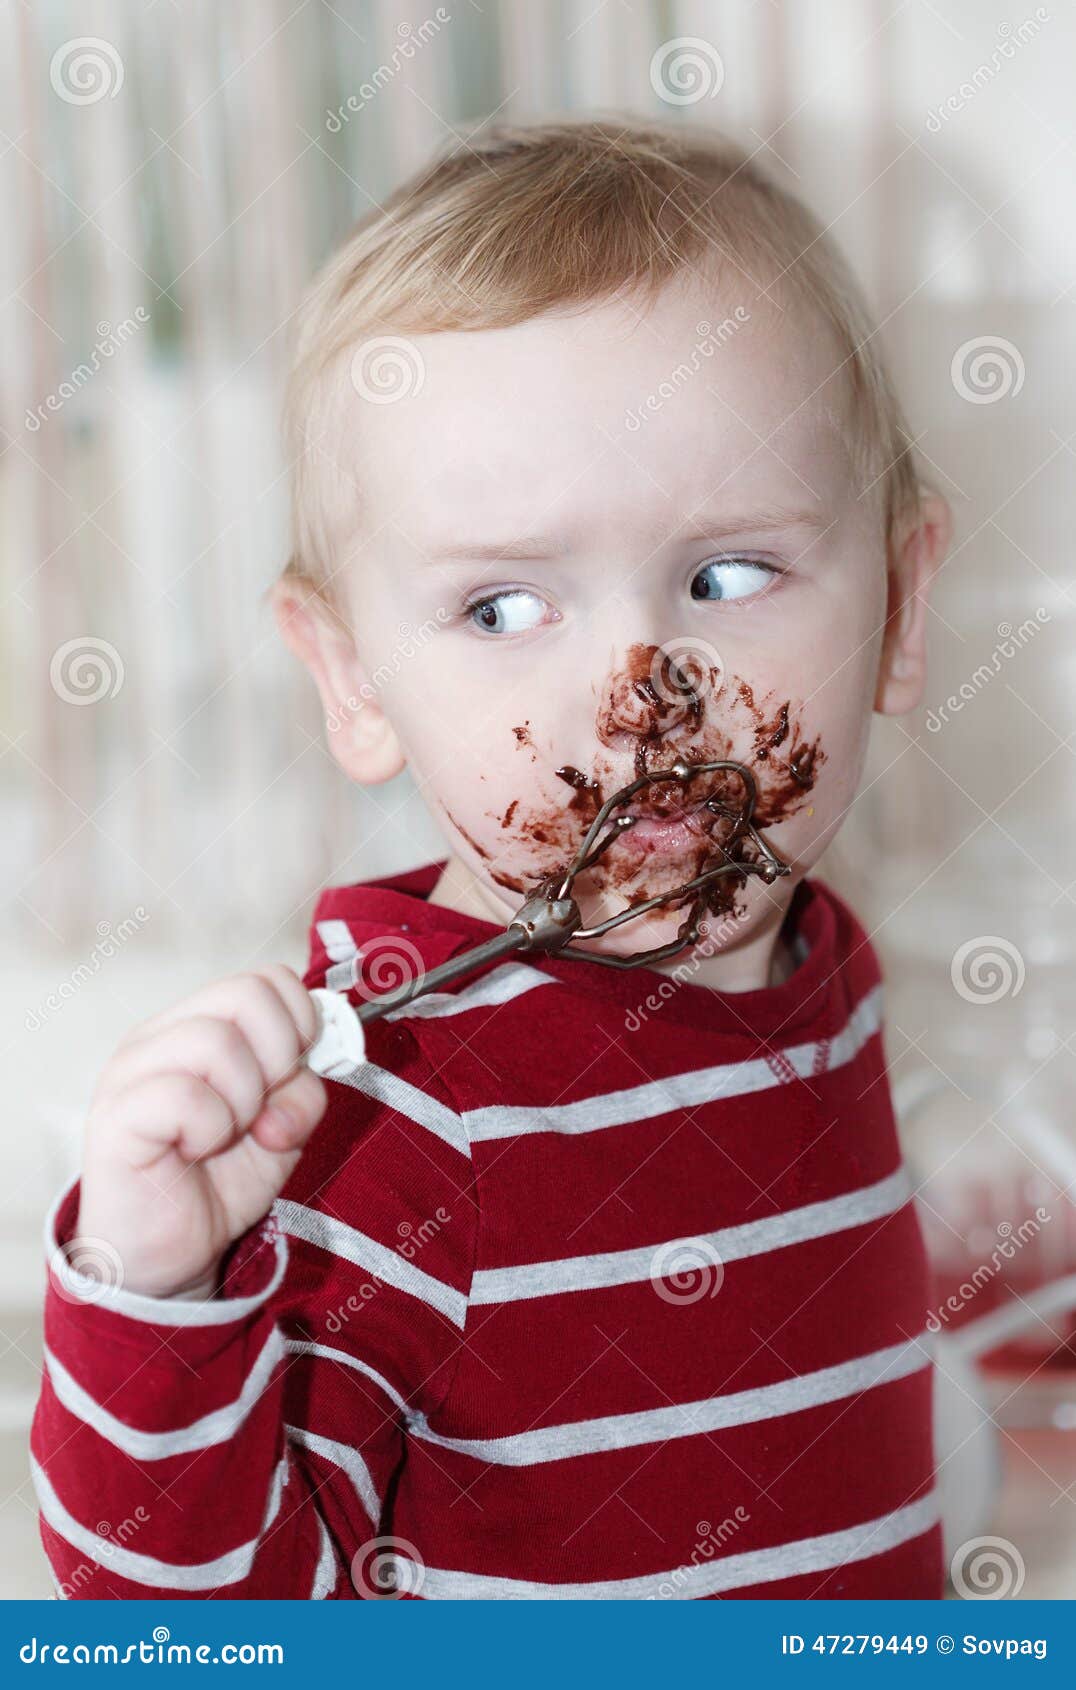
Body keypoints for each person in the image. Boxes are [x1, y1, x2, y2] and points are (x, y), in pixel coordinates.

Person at [32, 118, 953, 1599]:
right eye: (505, 609)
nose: (640, 694)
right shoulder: (376, 1115)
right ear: (350, 678)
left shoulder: (819, 961)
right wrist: (160, 1289)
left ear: (901, 609)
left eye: (727, 575)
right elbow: (188, 1623)